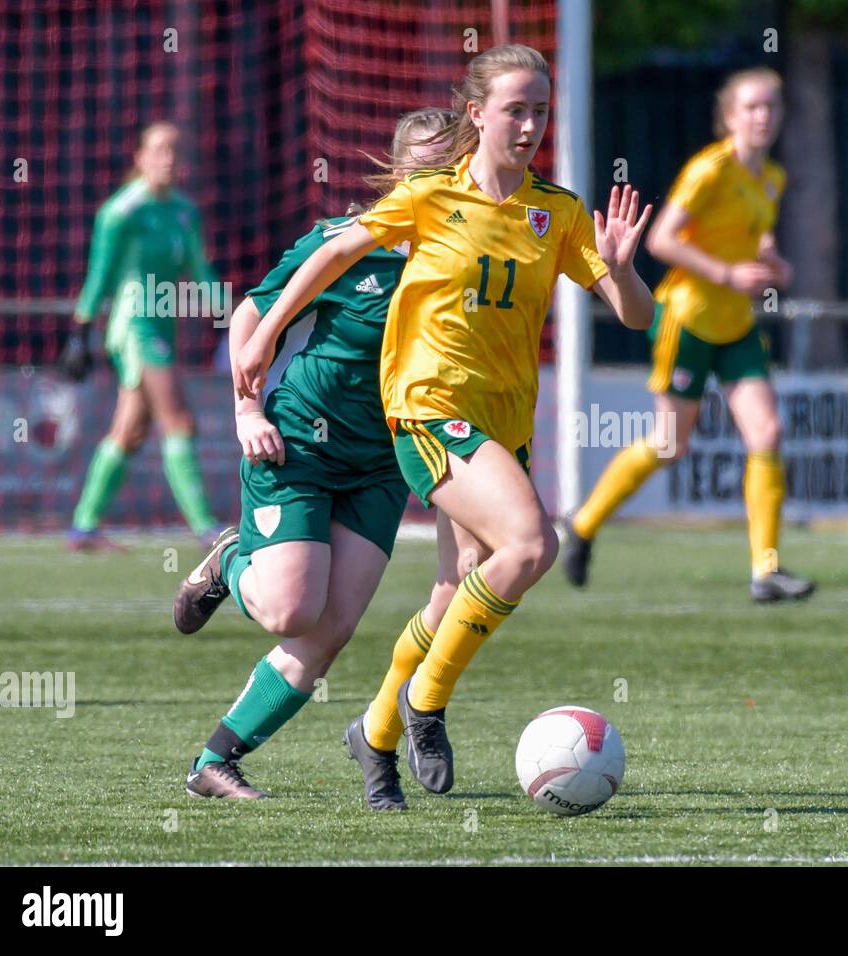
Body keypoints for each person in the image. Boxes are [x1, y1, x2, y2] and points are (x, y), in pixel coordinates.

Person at [233, 43, 655, 797]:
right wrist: (266, 333)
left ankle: (376, 733)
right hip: (429, 407)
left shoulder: (552, 212)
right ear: (477, 114)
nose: (528, 125)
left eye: (540, 111)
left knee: (458, 588)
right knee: (531, 543)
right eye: (514, 110)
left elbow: (635, 316)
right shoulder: (430, 197)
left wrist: (621, 270)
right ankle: (425, 703)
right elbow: (334, 254)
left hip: (503, 423)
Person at [174, 108, 455, 804]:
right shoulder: (344, 242)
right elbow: (253, 311)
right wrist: (246, 408)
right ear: (397, 174)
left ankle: (216, 761)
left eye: (451, 169)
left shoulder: (465, 256)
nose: (439, 182)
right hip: (299, 438)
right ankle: (230, 562)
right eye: (426, 169)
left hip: (385, 461)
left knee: (331, 629)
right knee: (289, 611)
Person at [562, 68, 815, 604]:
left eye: (771, 106)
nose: (763, 115)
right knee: (670, 445)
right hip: (691, 320)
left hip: (738, 326)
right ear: (729, 117)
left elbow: (753, 238)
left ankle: (765, 570)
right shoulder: (709, 169)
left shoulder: (771, 177)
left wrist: (771, 264)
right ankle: (583, 523)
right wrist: (726, 275)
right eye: (751, 107)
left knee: (767, 434)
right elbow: (662, 239)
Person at [61, 122, 220, 549]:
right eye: (159, 150)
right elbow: (100, 275)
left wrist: (228, 311)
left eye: (174, 150)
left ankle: (84, 527)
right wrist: (79, 330)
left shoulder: (185, 210)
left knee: (129, 431)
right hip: (135, 326)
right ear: (140, 157)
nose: (168, 158)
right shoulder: (121, 212)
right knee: (178, 419)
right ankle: (207, 529)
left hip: (164, 325)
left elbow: (200, 270)